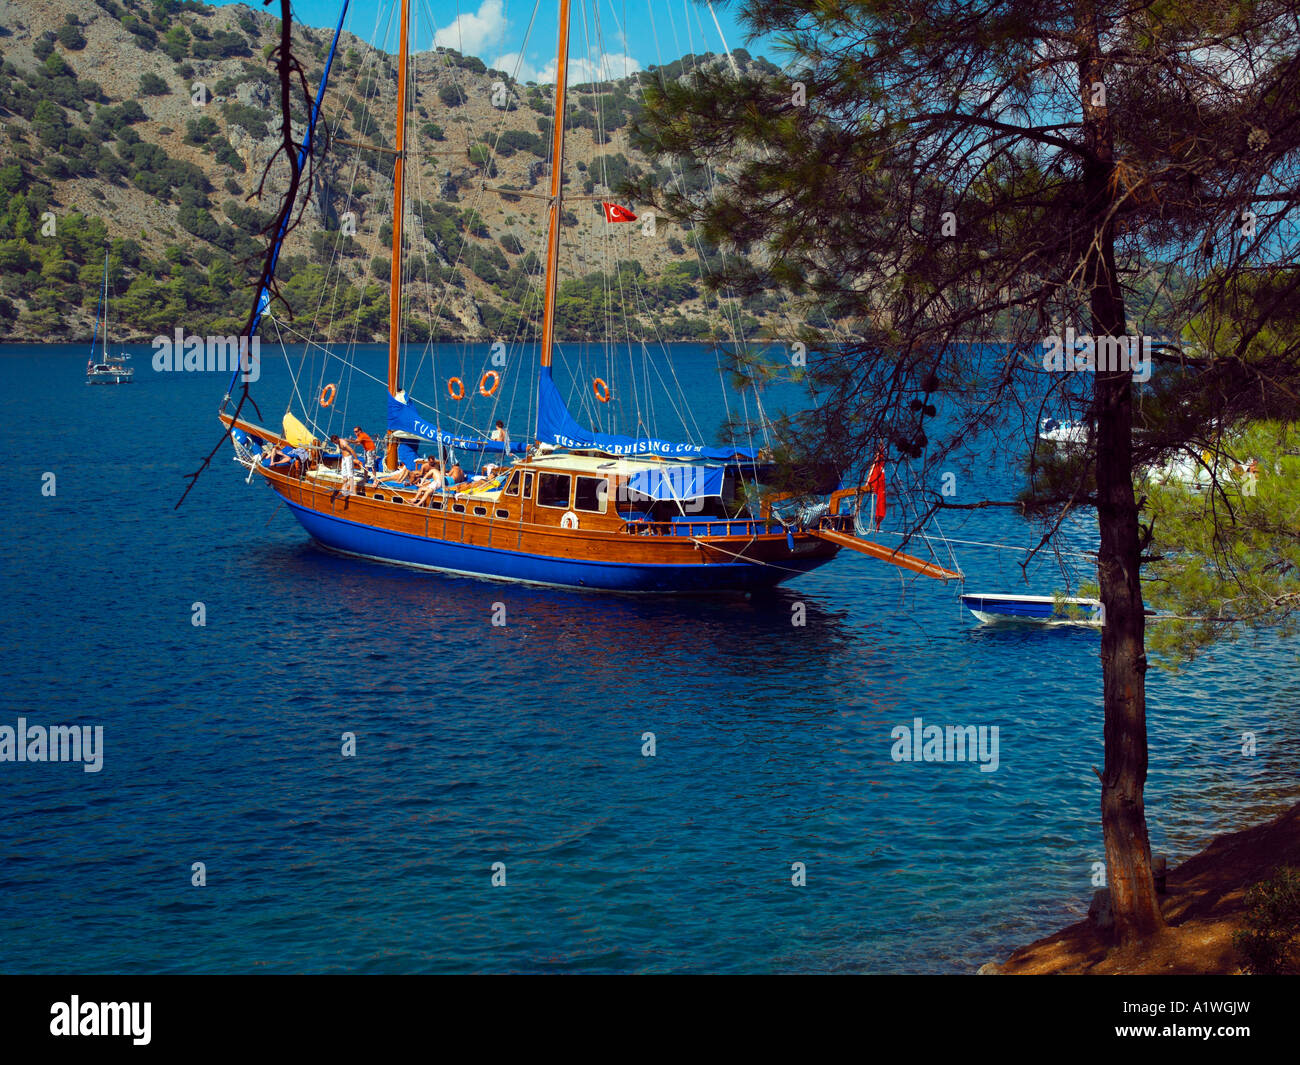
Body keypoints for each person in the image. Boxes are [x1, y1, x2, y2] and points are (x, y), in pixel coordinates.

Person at [329, 434, 359, 499]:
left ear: (336, 439)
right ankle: (344, 488)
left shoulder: (343, 443)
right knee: (344, 473)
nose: (335, 443)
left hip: (348, 458)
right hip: (344, 458)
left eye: (335, 442)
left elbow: (351, 450)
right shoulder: (339, 442)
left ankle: (352, 490)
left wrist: (356, 459)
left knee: (350, 474)